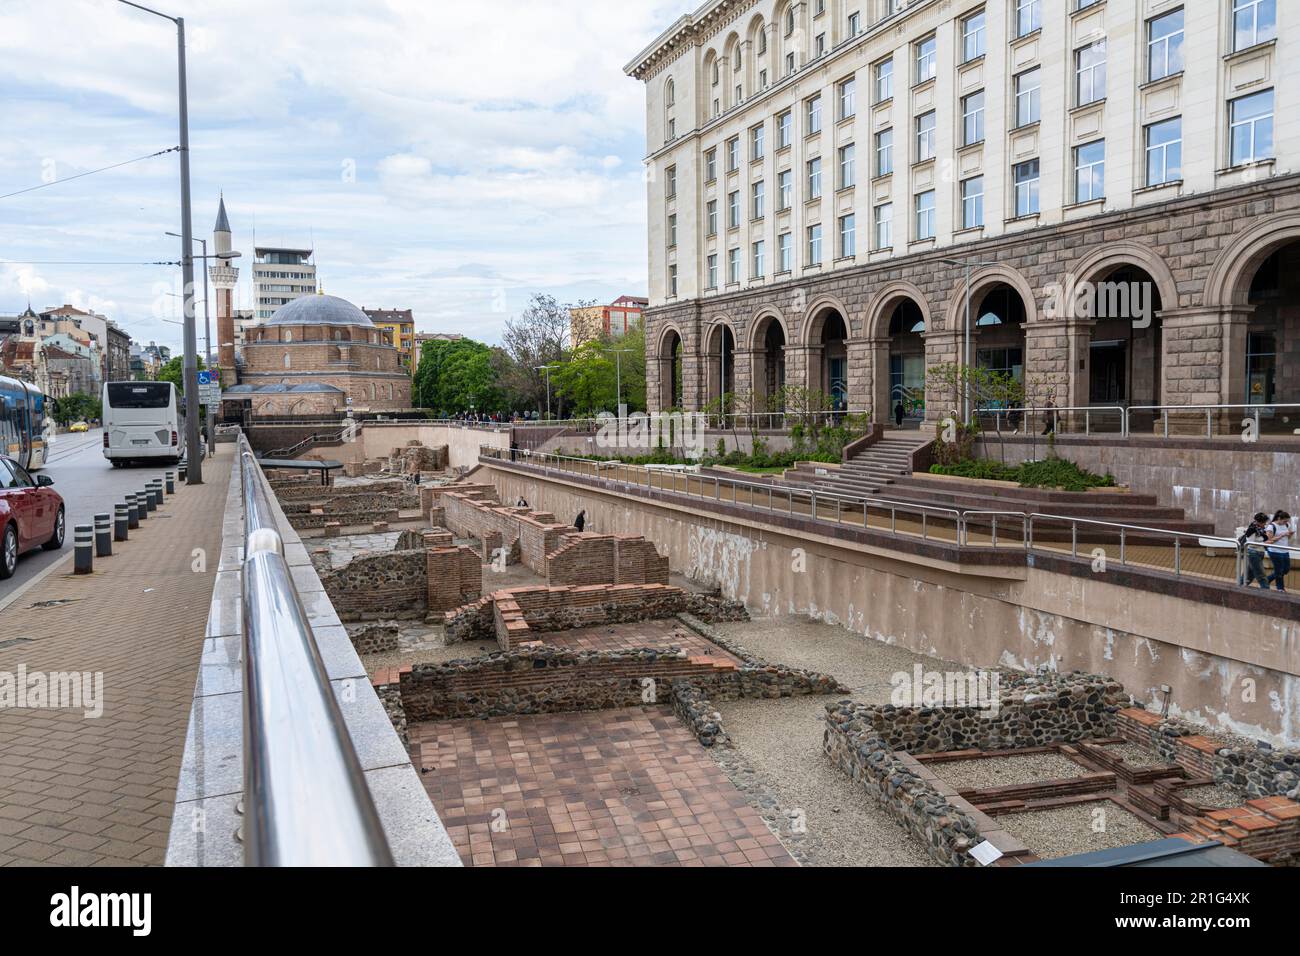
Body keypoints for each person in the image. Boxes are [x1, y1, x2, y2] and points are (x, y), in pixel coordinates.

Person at [1238, 512, 1271, 589]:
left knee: (1249, 575)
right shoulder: (1252, 529)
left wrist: (1263, 540)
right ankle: (1266, 591)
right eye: (1264, 522)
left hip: (1258, 552)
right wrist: (1263, 541)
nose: (1265, 524)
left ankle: (1238, 587)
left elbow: (1262, 537)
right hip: (1254, 553)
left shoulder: (1260, 529)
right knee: (1261, 575)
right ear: (1260, 522)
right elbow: (1250, 543)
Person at [1266, 510, 1293, 592]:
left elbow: (1288, 538)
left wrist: (1289, 535)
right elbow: (1269, 540)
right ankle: (1280, 588)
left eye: (1287, 521)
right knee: (1279, 570)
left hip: (1285, 550)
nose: (1286, 522)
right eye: (1284, 521)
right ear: (1279, 518)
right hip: (1274, 551)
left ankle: (1266, 580)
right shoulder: (1271, 526)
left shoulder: (1287, 525)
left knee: (1286, 569)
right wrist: (1282, 535)